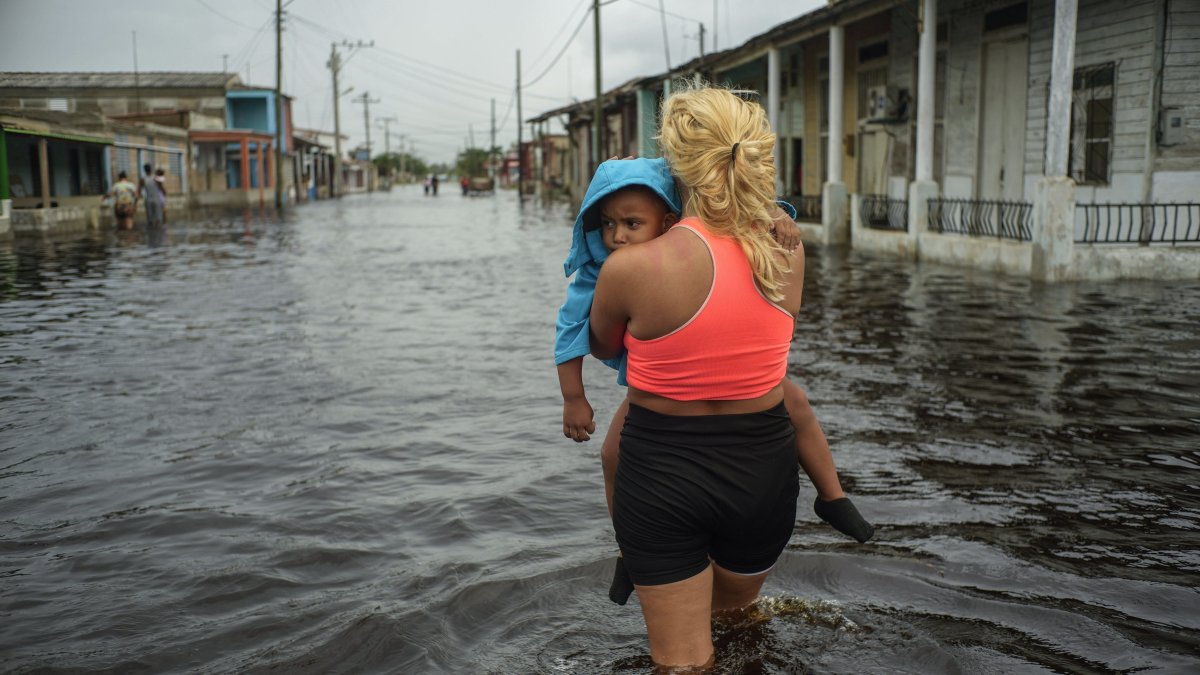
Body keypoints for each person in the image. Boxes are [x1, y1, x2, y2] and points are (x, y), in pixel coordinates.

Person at [589, 81, 864, 669]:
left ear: (676, 166)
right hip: (762, 472)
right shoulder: (785, 250)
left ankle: (632, 560)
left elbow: (602, 344)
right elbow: (768, 340)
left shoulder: (629, 267)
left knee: (683, 662)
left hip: (660, 472)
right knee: (737, 627)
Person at [556, 157, 873, 607]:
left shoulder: (681, 250)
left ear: (668, 220)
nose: (618, 236)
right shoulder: (604, 271)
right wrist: (574, 396)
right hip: (662, 387)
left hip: (723, 384)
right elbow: (572, 331)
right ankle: (631, 550)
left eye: (631, 223)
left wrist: (777, 215)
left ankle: (833, 496)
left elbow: (738, 207)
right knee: (612, 454)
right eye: (608, 225)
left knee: (796, 401)